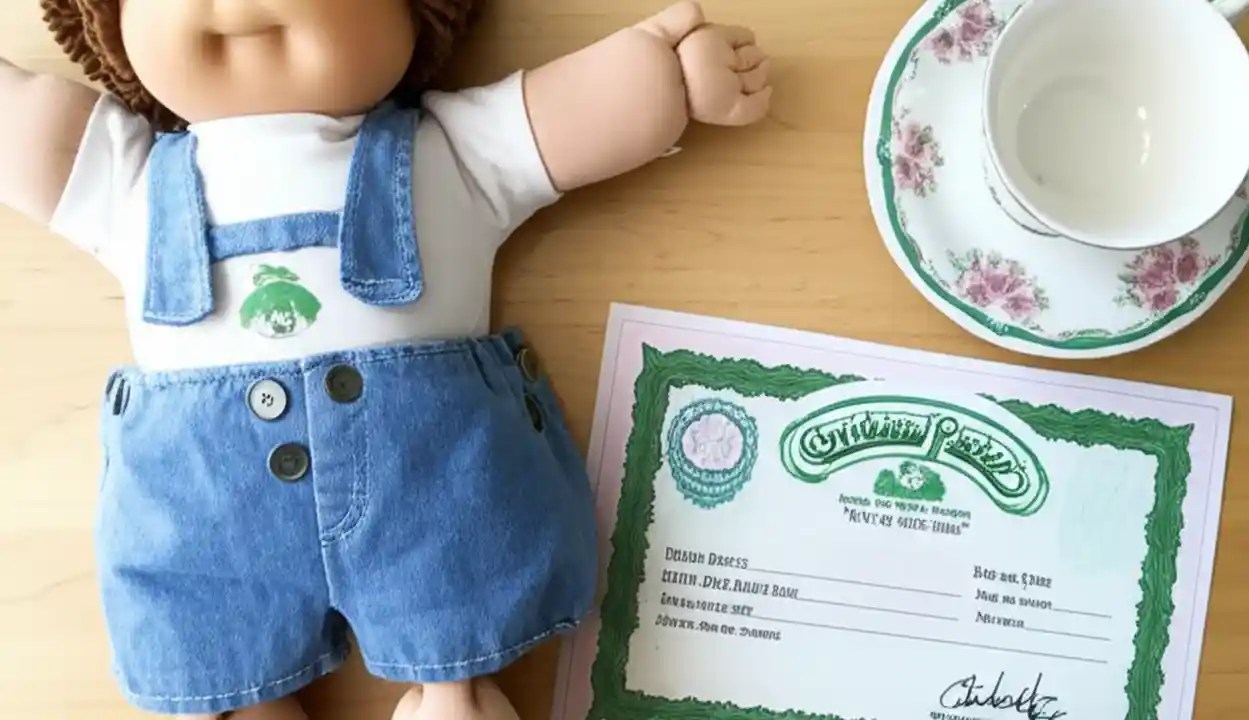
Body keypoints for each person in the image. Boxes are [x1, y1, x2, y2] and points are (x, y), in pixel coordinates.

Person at [0, 0, 772, 717]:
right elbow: (24, 126)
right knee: (216, 661)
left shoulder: (453, 150)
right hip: (206, 515)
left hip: (426, 482)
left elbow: (559, 119)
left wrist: (658, 78)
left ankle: (454, 695)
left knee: (459, 610)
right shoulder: (124, 174)